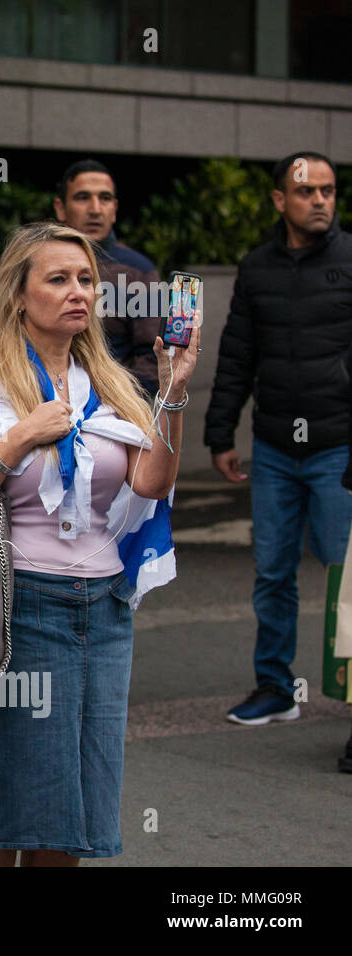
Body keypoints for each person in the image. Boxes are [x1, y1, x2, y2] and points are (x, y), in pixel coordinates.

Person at [0, 222, 198, 865]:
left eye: (87, 280)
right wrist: (14, 442)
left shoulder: (111, 383)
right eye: (58, 279)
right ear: (18, 294)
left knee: (75, 808)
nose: (78, 293)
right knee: (5, 798)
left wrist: (173, 392)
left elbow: (151, 482)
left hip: (107, 611)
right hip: (21, 607)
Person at [207, 151, 352, 727]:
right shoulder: (257, 267)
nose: (319, 200)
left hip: (341, 448)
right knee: (273, 572)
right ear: (279, 200)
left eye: (328, 190)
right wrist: (220, 432)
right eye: (306, 191)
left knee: (346, 576)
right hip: (273, 448)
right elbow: (238, 354)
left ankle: (349, 692)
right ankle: (274, 686)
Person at [54, 159, 161, 396]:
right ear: (60, 207)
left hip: (116, 410)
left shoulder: (139, 271)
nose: (95, 209)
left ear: (114, 208)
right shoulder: (39, 264)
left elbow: (153, 358)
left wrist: (117, 409)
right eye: (83, 197)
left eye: (104, 198)